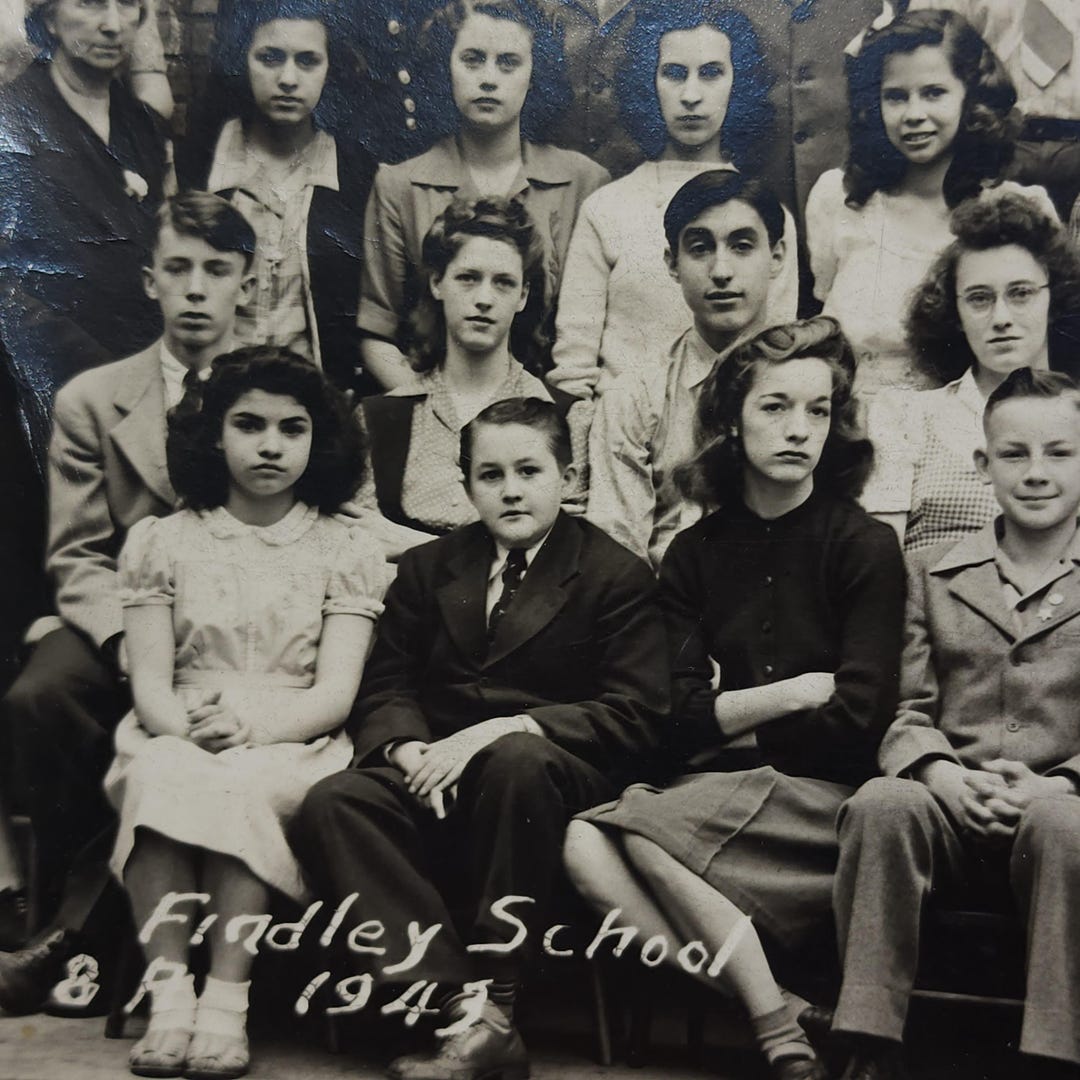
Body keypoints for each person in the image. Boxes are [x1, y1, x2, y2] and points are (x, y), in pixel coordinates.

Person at [566, 317, 905, 1080]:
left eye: (818, 411)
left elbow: (857, 718)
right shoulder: (693, 555)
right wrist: (793, 692)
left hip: (825, 813)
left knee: (644, 833)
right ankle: (779, 1008)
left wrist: (732, 718)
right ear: (730, 421)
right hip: (718, 802)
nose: (799, 430)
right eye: (775, 407)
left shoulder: (863, 545)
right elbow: (671, 717)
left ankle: (771, 1026)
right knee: (583, 841)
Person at [291, 397, 669, 1080]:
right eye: (490, 475)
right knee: (337, 800)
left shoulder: (615, 574)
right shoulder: (430, 567)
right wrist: (408, 751)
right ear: (466, 487)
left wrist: (511, 725)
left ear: (569, 476)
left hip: (552, 782)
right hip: (439, 769)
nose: (512, 489)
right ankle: (459, 1010)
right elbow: (386, 685)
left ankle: (500, 999)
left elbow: (638, 712)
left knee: (514, 761)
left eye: (530, 470)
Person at [0, 192, 256, 1017]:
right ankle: (64, 919)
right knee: (43, 694)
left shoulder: (282, 392)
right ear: (149, 281)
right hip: (121, 617)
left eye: (216, 271)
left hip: (246, 623)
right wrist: (128, 647)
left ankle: (79, 944)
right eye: (178, 269)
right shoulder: (91, 400)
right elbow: (76, 555)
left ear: (245, 284)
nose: (195, 290)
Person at [108, 346, 385, 1080]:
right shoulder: (163, 542)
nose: (270, 445)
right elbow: (152, 686)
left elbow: (335, 695)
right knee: (163, 774)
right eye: (249, 424)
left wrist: (254, 730)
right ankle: (170, 999)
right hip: (181, 723)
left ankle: (226, 1003)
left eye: (292, 429)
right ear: (212, 434)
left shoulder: (343, 547)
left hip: (295, 738)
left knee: (240, 785)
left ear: (317, 441)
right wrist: (189, 730)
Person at [832, 366, 1080, 1080]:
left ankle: (1054, 1056)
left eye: (1059, 452)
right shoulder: (930, 569)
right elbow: (906, 705)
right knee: (882, 804)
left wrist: (1055, 788)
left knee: (1067, 828)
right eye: (1014, 453)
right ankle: (869, 1047)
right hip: (948, 804)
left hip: (1057, 812)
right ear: (982, 464)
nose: (1036, 473)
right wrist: (938, 771)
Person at [547, 0, 799, 400]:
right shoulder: (606, 208)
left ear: (740, 81)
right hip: (622, 441)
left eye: (712, 73)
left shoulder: (766, 214)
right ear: (649, 82)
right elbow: (574, 368)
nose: (691, 95)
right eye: (674, 74)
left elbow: (778, 359)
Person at [357, 0, 610, 390]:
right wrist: (433, 410)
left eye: (508, 63)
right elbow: (378, 334)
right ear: (447, 67)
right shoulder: (399, 185)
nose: (489, 79)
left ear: (534, 74)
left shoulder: (583, 182)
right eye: (472, 60)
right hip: (432, 402)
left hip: (547, 407)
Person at [806, 8, 1057, 396]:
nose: (914, 115)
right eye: (895, 97)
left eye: (933, 93)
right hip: (846, 435)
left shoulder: (1015, 210)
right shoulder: (838, 200)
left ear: (970, 98)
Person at [350, 196, 583, 560]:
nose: (484, 299)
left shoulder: (566, 416)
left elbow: (566, 558)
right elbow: (360, 543)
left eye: (503, 282)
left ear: (522, 296)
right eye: (468, 278)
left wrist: (417, 548)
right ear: (437, 284)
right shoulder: (381, 419)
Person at [0, 0, 173, 470]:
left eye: (130, 5)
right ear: (50, 17)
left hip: (145, 389)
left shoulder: (143, 126)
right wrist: (101, 373)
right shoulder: (11, 121)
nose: (114, 24)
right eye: (92, 3)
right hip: (48, 395)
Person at [586, 170, 786, 569]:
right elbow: (618, 551)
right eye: (700, 248)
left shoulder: (815, 388)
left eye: (742, 246)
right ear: (672, 263)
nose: (721, 271)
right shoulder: (635, 396)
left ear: (777, 257)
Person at [178, 0, 377, 393]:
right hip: (213, 399)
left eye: (307, 61)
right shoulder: (199, 163)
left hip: (317, 405)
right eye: (270, 58)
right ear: (241, 60)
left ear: (329, 69)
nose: (288, 78)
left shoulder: (356, 174)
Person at [863, 190, 1080, 551]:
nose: (1001, 318)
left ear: (1053, 300)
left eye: (1021, 293)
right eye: (980, 298)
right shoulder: (906, 416)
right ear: (955, 313)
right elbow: (881, 564)